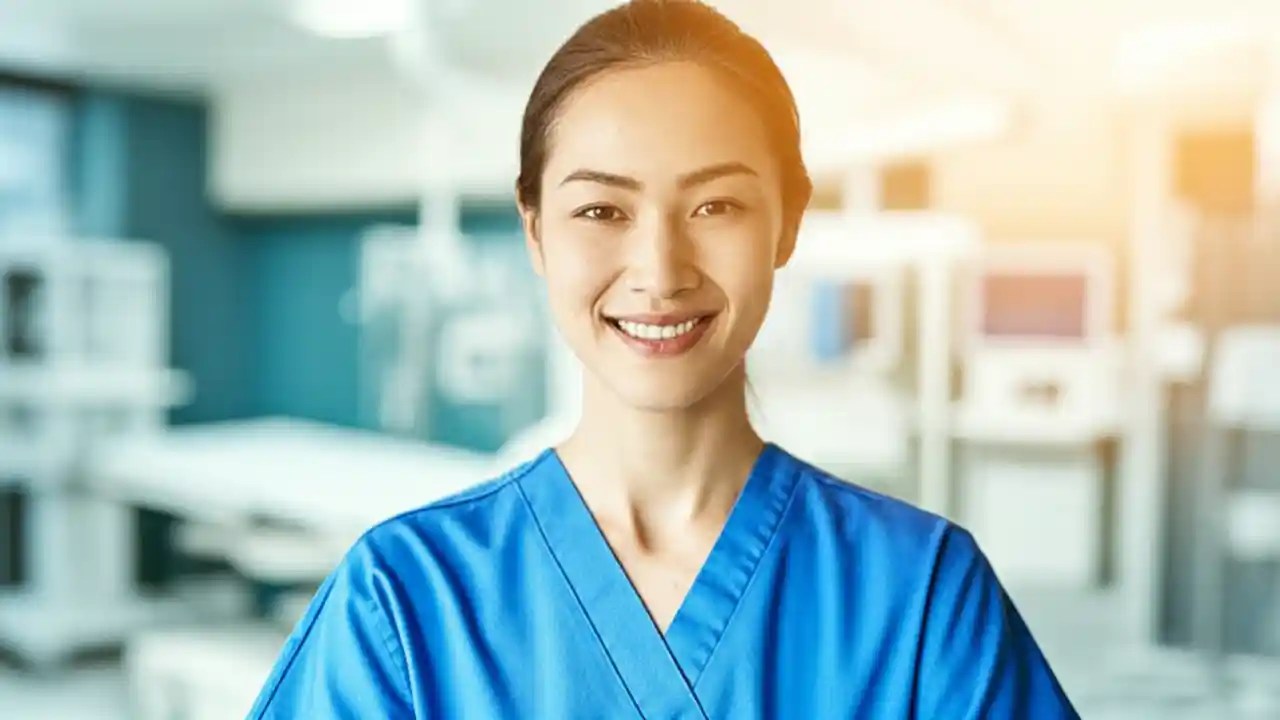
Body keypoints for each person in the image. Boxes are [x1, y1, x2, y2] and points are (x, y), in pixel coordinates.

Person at [249, 1, 1079, 717]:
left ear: (787, 223)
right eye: (603, 209)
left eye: (716, 205)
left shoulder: (920, 598)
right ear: (535, 232)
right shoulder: (407, 600)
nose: (660, 271)